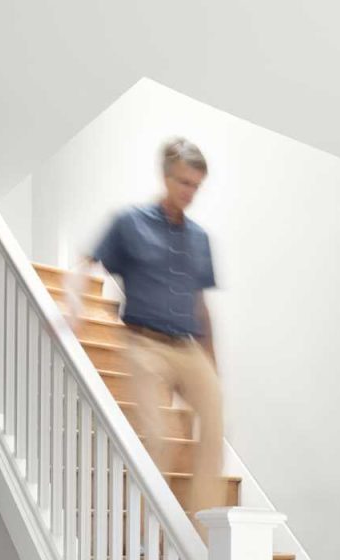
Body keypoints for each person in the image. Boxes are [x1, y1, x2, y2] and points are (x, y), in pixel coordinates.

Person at [67, 137, 224, 525]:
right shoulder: (129, 223)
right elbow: (86, 263)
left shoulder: (200, 239)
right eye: (185, 183)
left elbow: (202, 305)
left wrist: (213, 361)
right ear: (167, 177)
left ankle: (205, 528)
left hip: (188, 347)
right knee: (157, 437)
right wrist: (73, 309)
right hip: (143, 344)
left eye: (197, 185)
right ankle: (144, 525)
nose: (190, 192)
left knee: (215, 421)